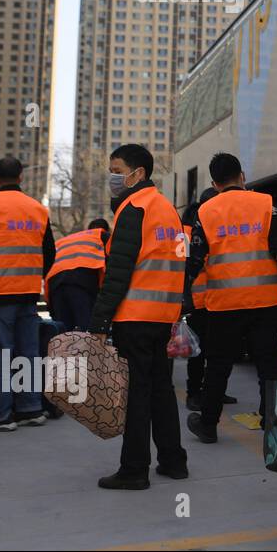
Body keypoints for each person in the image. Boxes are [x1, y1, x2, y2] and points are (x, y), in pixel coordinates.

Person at [184, 154, 277, 443]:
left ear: (214, 183)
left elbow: (196, 260)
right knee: (268, 364)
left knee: (218, 364)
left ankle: (208, 424)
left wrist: (180, 293)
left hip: (224, 303)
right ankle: (272, 422)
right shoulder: (266, 205)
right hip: (264, 300)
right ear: (242, 175)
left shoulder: (205, 211)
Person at [89, 144, 188, 490]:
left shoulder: (134, 208)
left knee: (137, 394)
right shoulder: (168, 210)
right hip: (162, 316)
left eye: (117, 169)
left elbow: (118, 270)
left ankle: (134, 470)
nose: (112, 177)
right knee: (161, 388)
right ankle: (174, 462)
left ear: (138, 173)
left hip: (134, 315)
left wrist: (100, 320)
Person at [0, 157, 55, 432]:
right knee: (27, 351)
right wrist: (34, 277)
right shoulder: (37, 209)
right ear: (21, 176)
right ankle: (30, 408)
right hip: (27, 293)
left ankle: (0, 414)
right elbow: (50, 253)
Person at [40, 217, 110, 419]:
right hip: (80, 282)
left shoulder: (69, 239)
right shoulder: (102, 237)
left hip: (56, 283)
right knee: (85, 335)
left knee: (65, 337)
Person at [179, 187, 235, 413]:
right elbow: (181, 265)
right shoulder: (185, 232)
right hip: (199, 301)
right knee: (198, 352)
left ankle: (214, 392)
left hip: (220, 298)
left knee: (219, 350)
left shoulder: (220, 227)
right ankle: (194, 393)